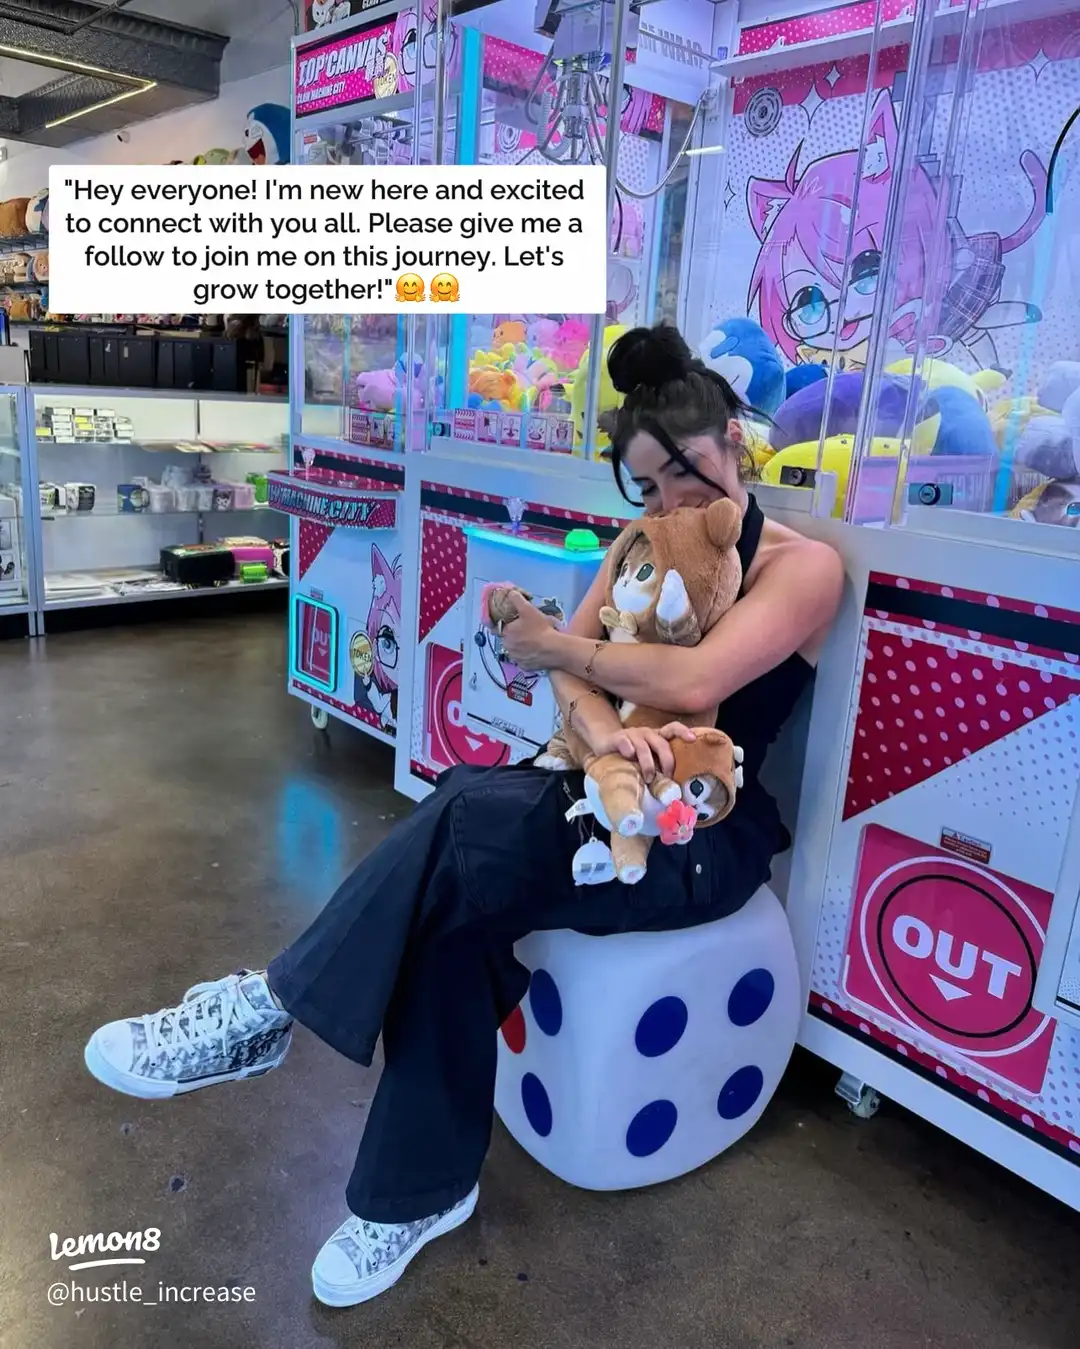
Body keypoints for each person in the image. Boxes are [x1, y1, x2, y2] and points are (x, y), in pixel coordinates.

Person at [84, 324, 844, 1309]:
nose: (672, 505)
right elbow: (568, 680)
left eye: (687, 475)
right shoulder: (638, 547)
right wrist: (602, 727)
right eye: (649, 489)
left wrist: (566, 659)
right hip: (598, 792)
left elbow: (692, 673)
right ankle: (414, 1193)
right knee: (456, 885)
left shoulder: (801, 565)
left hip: (701, 830)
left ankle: (269, 1008)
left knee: (461, 808)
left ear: (731, 442)